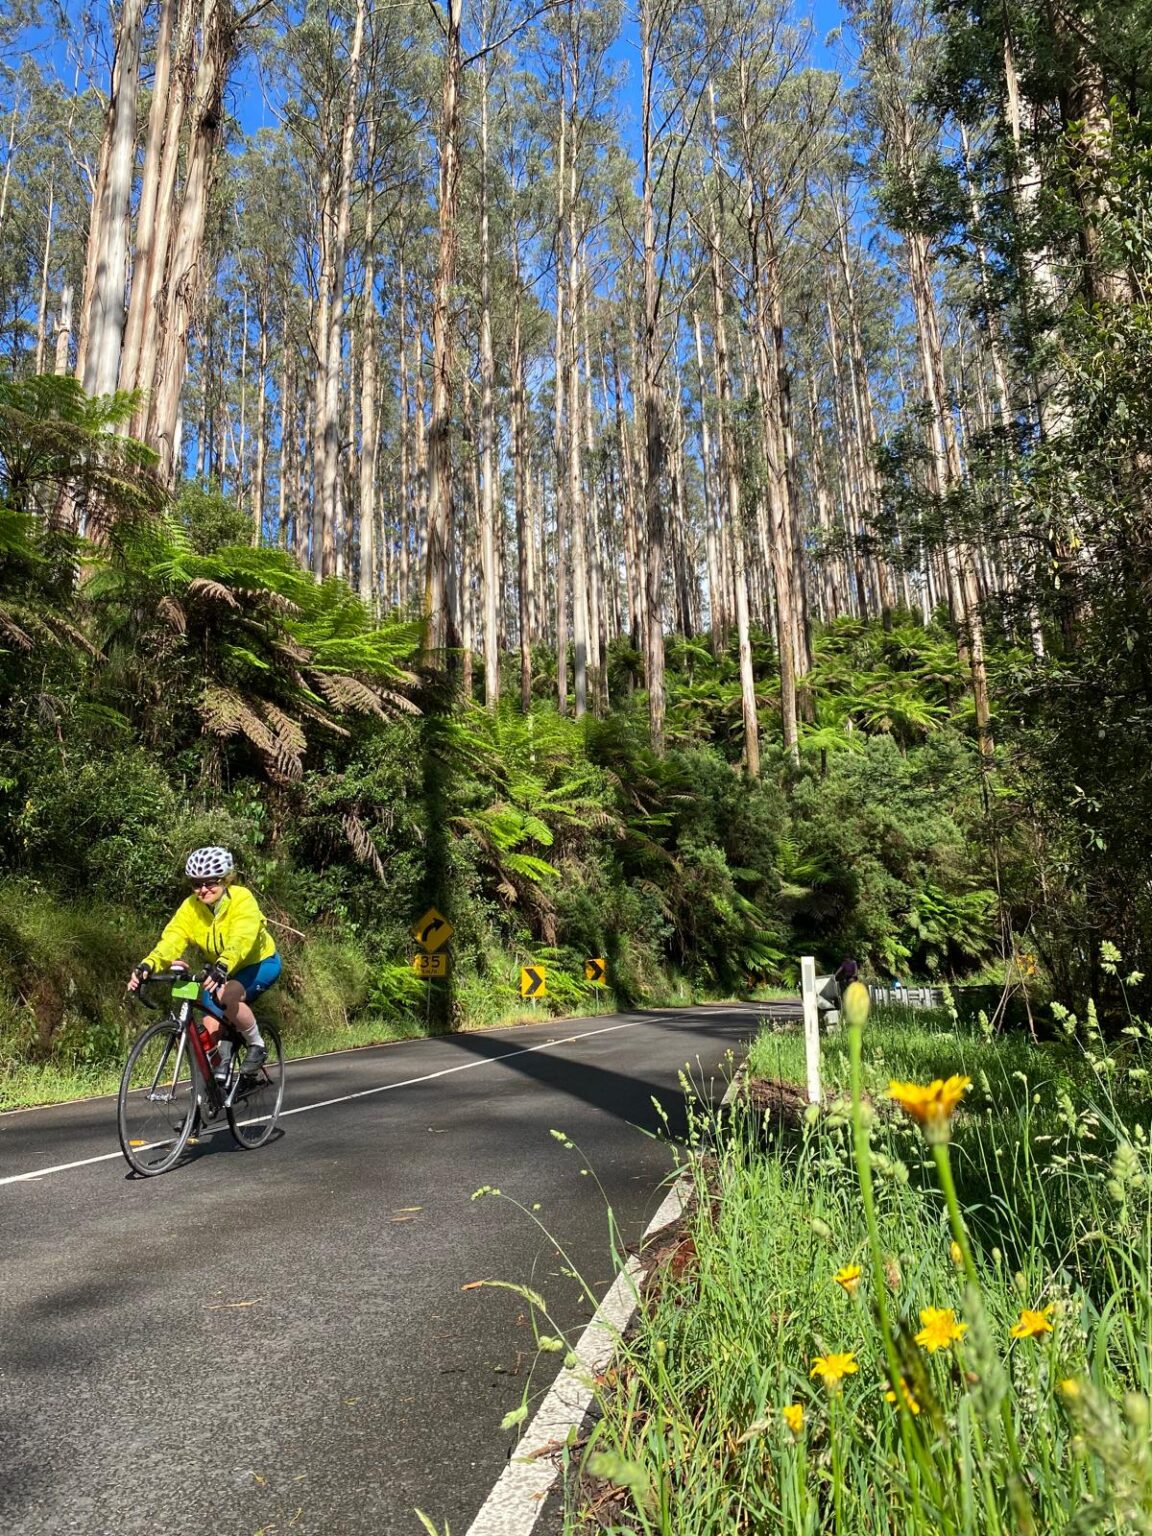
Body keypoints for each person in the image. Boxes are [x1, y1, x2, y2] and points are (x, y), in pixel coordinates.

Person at [127, 847, 281, 1077]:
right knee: (208, 1034)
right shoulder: (191, 907)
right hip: (221, 970)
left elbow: (242, 937)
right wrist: (149, 964)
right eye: (197, 884)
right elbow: (172, 939)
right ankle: (218, 1080)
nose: (203, 890)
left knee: (226, 996)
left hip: (258, 963)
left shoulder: (242, 899)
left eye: (210, 883)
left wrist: (224, 964)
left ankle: (257, 1045)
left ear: (225, 880)